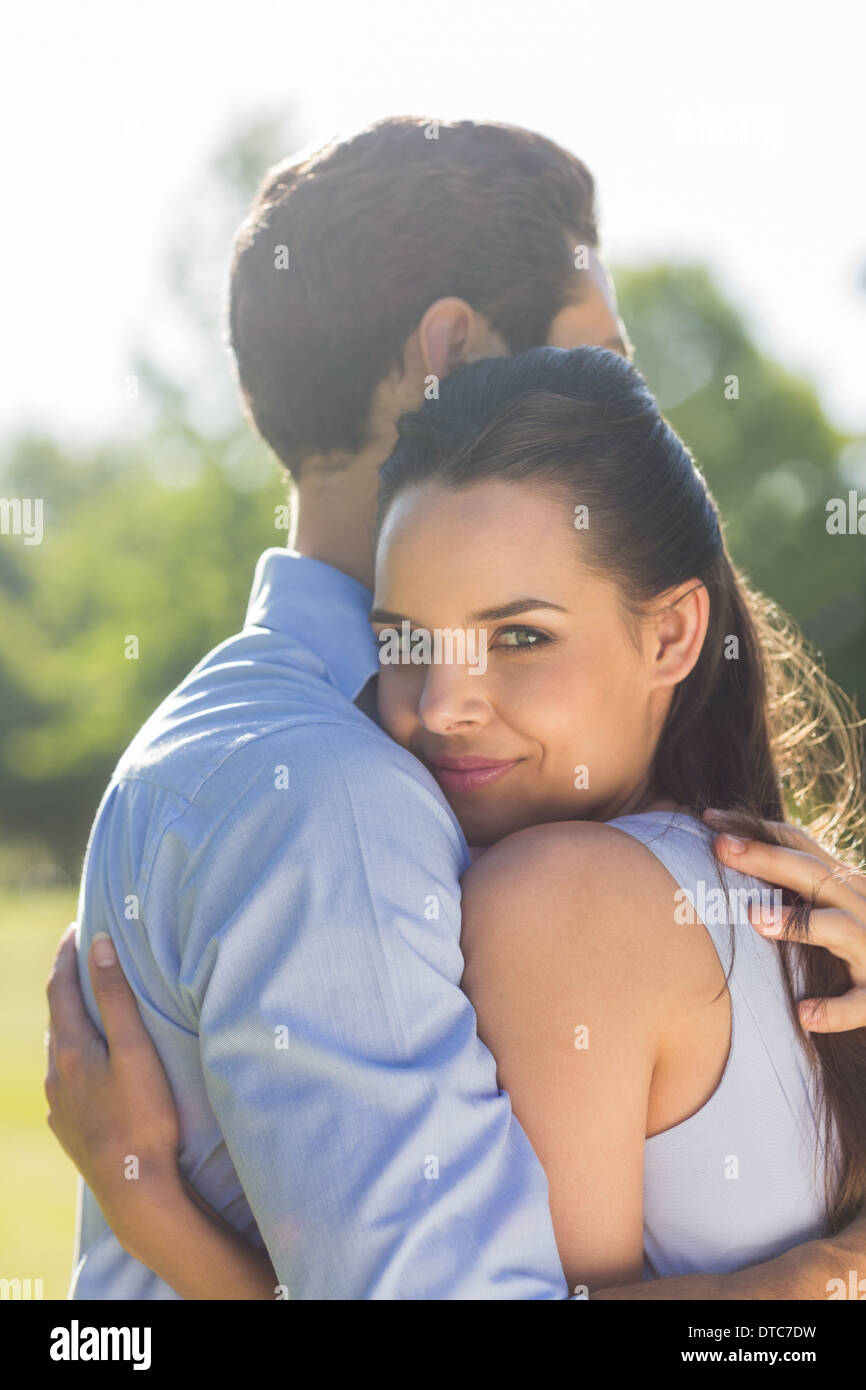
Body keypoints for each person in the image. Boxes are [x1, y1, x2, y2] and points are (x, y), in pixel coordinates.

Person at [47, 119, 866, 1300]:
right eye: (604, 362)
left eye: (519, 636)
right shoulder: (333, 788)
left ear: (671, 634)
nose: (442, 703)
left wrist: (158, 1216)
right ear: (450, 353)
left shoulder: (248, 741)